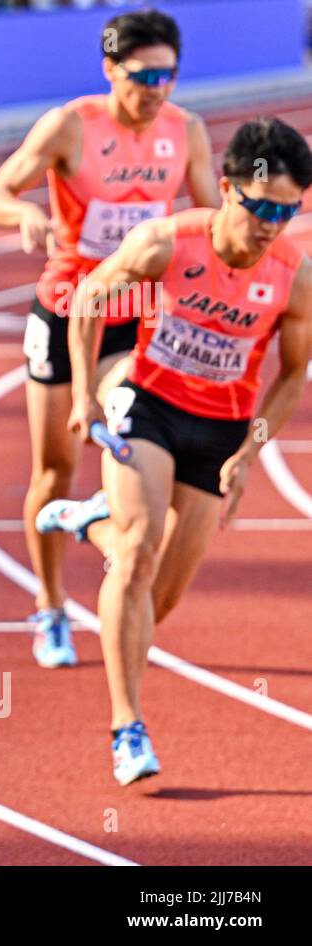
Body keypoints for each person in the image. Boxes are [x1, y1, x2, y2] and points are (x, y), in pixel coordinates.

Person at [39, 116, 312, 785]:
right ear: (226, 189)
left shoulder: (294, 278)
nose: (272, 223)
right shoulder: (168, 241)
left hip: (219, 428)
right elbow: (90, 298)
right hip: (149, 405)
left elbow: (293, 373)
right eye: (261, 207)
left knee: (159, 601)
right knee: (135, 556)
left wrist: (251, 448)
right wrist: (82, 396)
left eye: (289, 209)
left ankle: (89, 520)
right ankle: (127, 726)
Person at [0, 8, 219, 667]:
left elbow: (208, 220)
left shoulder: (185, 130)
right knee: (53, 469)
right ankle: (51, 607)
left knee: (133, 432)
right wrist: (23, 211)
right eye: (144, 76)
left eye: (170, 75)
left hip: (139, 312)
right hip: (65, 307)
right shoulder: (70, 126)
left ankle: (101, 518)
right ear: (112, 70)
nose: (158, 89)